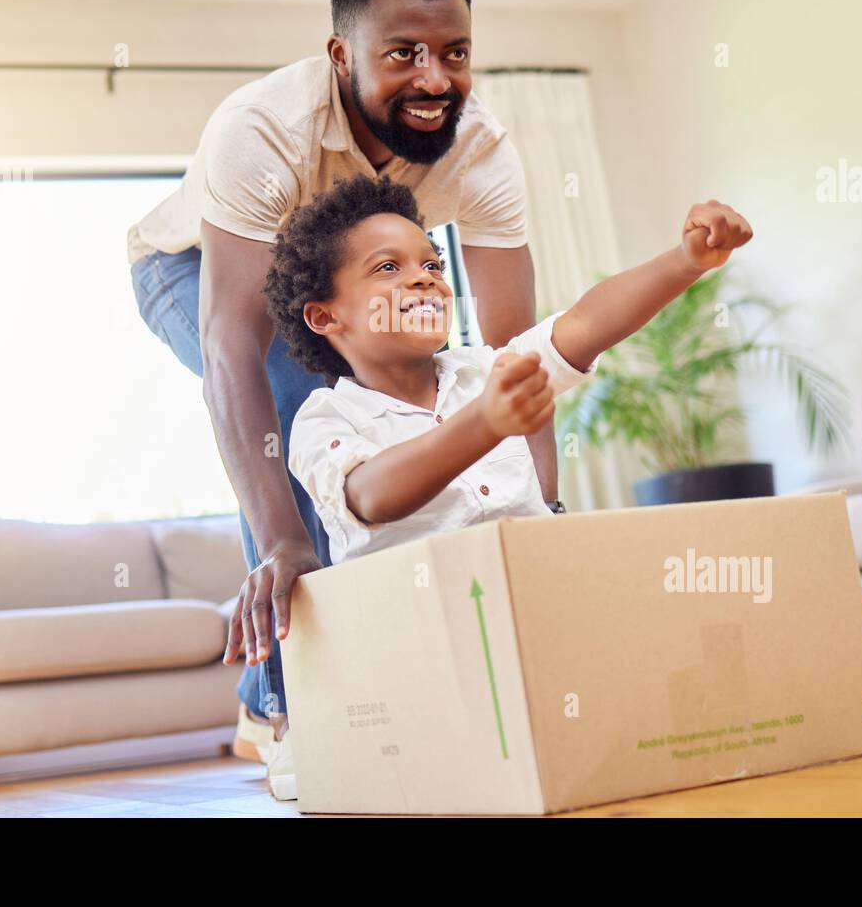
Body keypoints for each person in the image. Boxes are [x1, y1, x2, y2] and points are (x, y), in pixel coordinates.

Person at [127, 0, 558, 792]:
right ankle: (284, 705)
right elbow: (230, 346)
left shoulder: (483, 153)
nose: (435, 79)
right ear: (342, 55)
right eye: (403, 54)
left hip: (343, 280)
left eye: (455, 53)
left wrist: (541, 509)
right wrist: (286, 541)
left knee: (416, 413)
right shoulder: (261, 130)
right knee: (309, 408)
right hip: (189, 270)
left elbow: (515, 360)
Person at [256, 174, 752, 796]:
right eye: (389, 267)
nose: (424, 277)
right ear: (325, 314)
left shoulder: (483, 369)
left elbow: (586, 323)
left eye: (432, 262)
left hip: (538, 614)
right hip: (424, 643)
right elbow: (372, 495)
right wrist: (484, 424)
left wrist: (686, 261)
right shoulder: (326, 419)